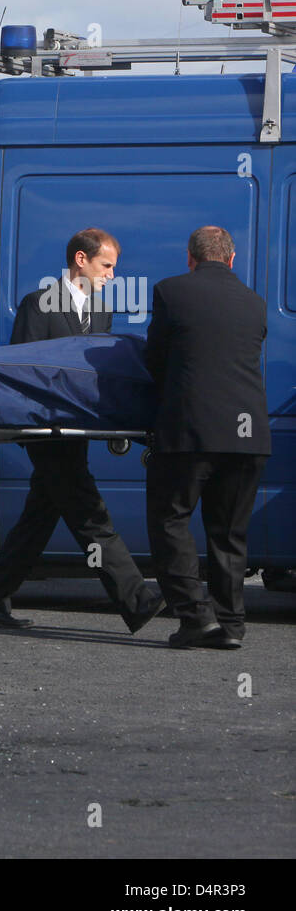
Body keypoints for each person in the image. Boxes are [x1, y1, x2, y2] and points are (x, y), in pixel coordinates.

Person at [0, 228, 164, 631]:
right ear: (81, 260)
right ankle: (136, 598)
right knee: (89, 512)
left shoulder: (102, 311)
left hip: (78, 432)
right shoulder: (37, 305)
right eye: (106, 265)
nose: (112, 274)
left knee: (39, 516)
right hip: (47, 431)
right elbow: (22, 370)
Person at [145, 226, 270, 649]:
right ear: (232, 259)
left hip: (189, 431)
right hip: (247, 434)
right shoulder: (255, 302)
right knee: (229, 532)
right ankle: (230, 623)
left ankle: (196, 616)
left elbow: (155, 359)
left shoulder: (171, 292)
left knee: (170, 518)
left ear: (189, 258)